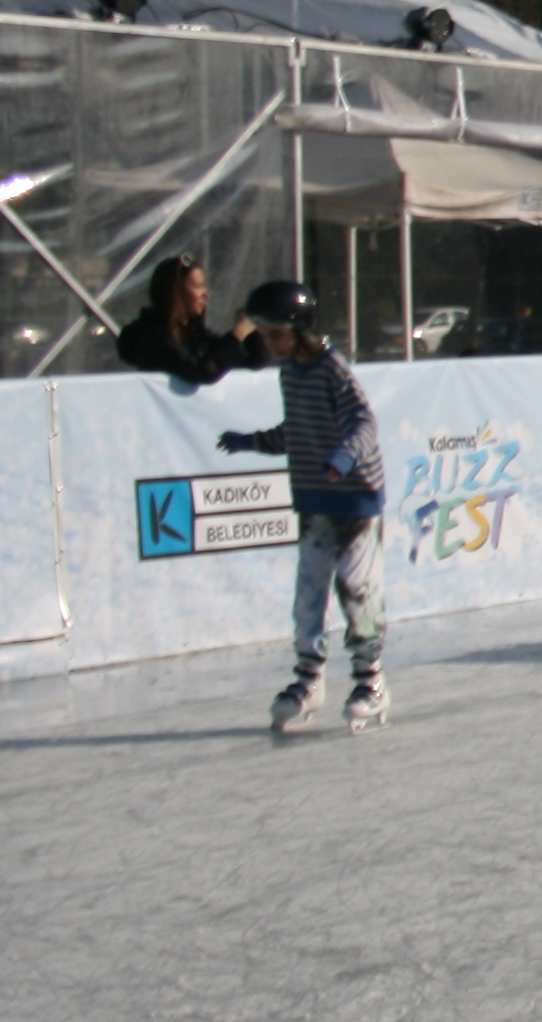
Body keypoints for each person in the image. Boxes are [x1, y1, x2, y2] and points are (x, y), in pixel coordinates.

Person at [217, 281, 389, 733]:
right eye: (264, 334)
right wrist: (251, 442)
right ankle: (308, 679)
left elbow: (363, 423)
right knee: (309, 591)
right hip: (315, 499)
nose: (269, 344)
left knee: (356, 588)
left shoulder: (332, 368)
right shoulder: (290, 372)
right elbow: (296, 432)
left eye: (275, 334)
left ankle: (370, 680)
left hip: (355, 498)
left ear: (300, 330)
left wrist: (342, 459)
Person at [112, 255, 257, 384]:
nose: (206, 294)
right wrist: (236, 337)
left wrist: (253, 333)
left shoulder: (195, 334)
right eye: (198, 286)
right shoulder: (153, 338)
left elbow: (252, 361)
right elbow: (201, 371)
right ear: (176, 292)